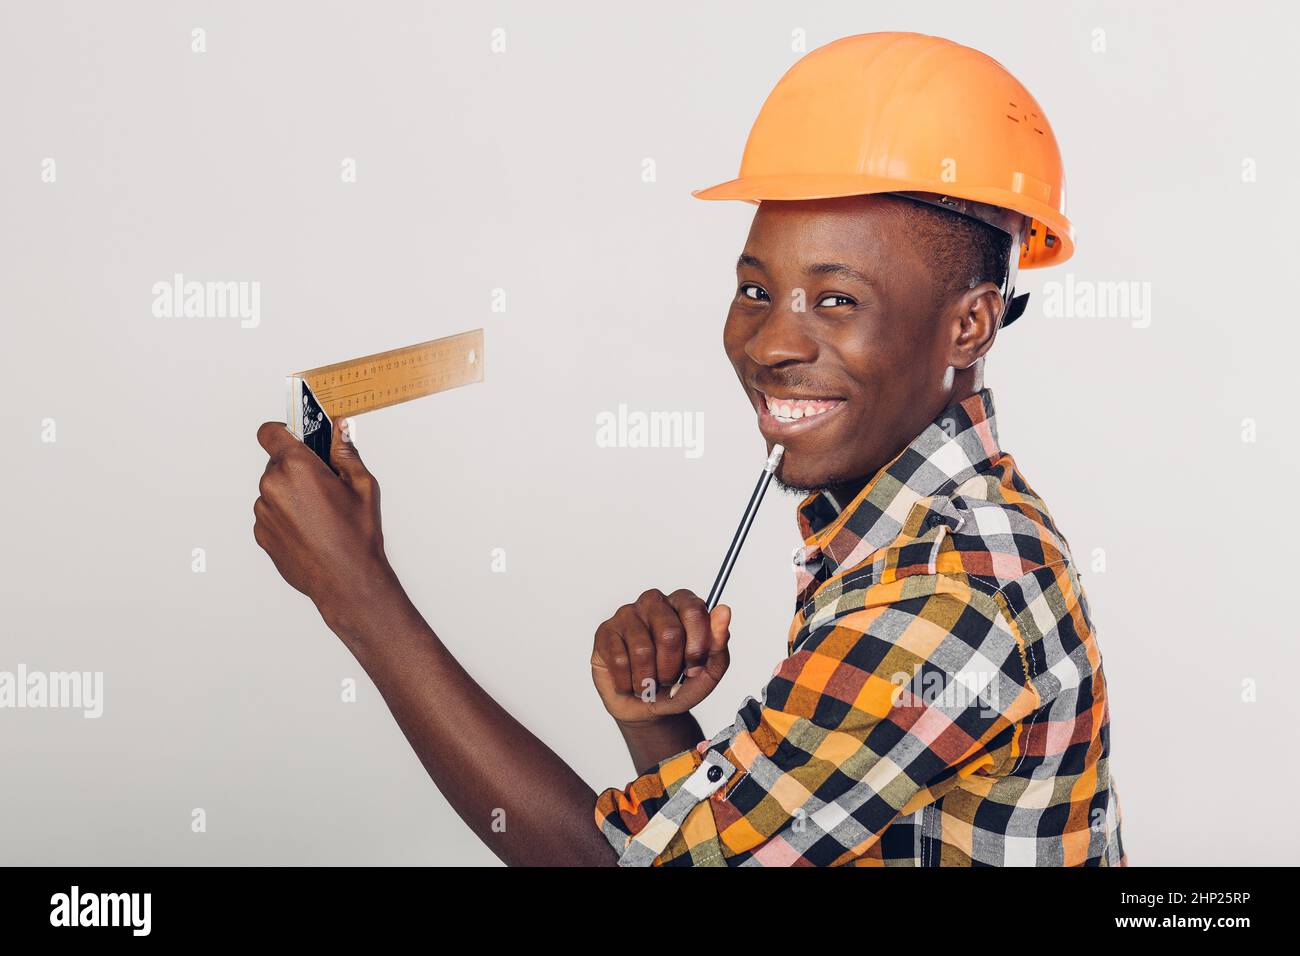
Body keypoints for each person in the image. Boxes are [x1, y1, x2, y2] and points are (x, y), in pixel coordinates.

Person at [253, 32, 1124, 866]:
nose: (769, 343)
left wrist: (358, 596)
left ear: (969, 324)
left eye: (835, 301)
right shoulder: (910, 529)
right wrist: (658, 727)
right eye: (756, 288)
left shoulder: (948, 595)